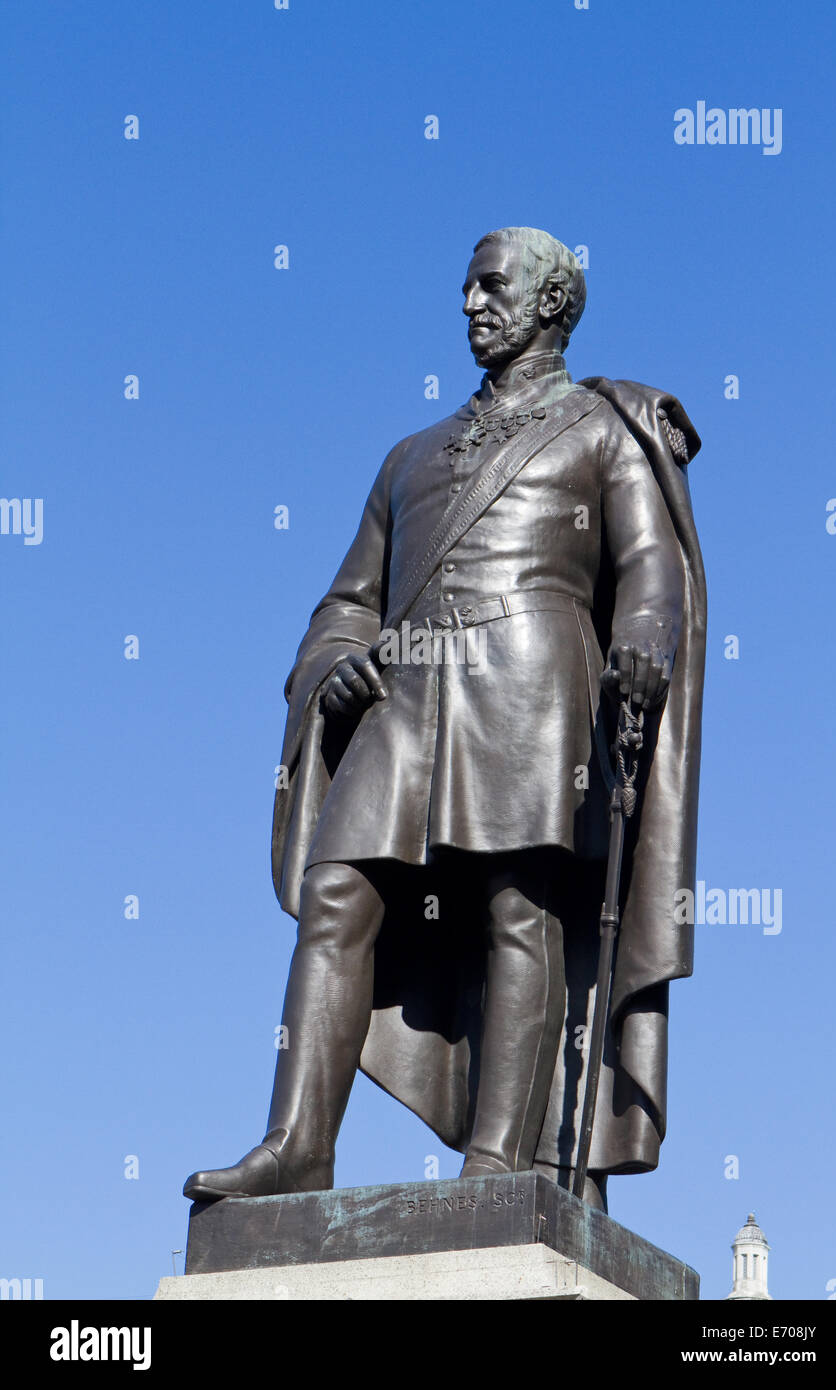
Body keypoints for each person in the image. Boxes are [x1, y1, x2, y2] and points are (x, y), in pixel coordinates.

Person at [184, 227, 706, 1213]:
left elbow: (648, 567)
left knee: (519, 906)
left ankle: (497, 1163)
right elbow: (348, 598)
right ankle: (297, 1142)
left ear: (550, 303)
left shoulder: (600, 431)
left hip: (531, 685)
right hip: (403, 703)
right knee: (336, 895)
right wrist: (334, 660)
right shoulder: (407, 456)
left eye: (490, 286)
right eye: (465, 288)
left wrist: (643, 640)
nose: (470, 303)